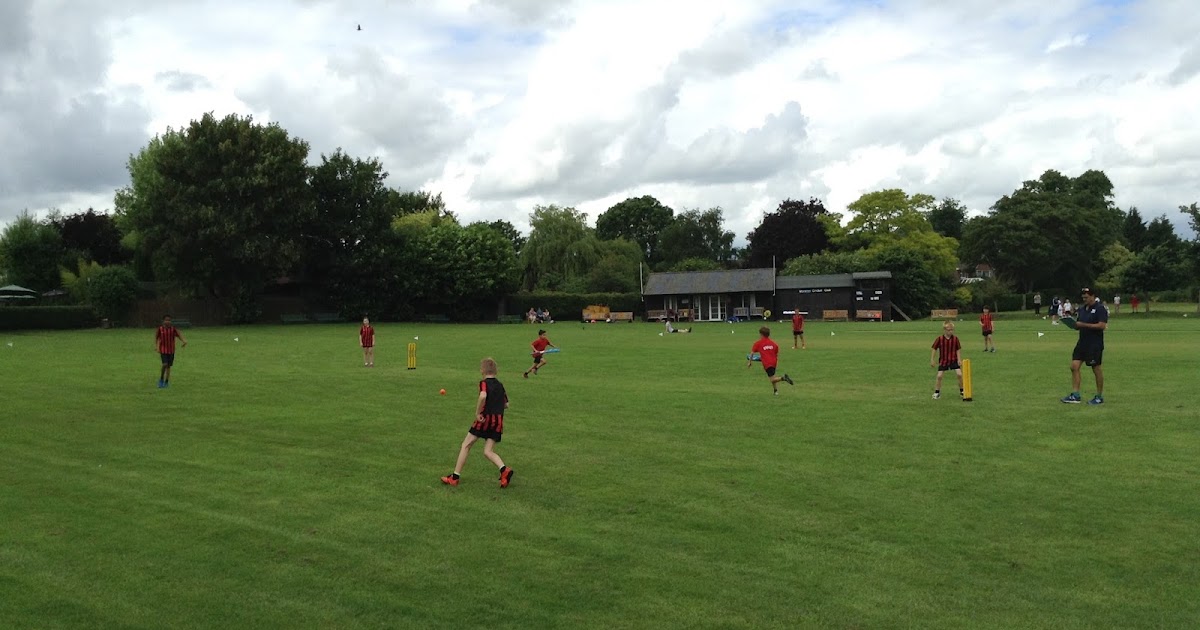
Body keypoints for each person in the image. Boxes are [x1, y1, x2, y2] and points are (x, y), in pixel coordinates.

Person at [441, 357, 514, 488]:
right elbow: (506, 404)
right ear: (496, 371)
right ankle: (504, 470)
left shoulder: (484, 383)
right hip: (497, 421)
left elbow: (483, 396)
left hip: (485, 420)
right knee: (488, 451)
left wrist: (478, 412)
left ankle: (455, 477)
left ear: (482, 370)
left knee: (466, 445)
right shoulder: (500, 385)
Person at [1062, 288, 1108, 405]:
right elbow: (1078, 324)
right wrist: (1072, 324)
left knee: (1096, 368)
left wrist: (1083, 325)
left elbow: (1102, 325)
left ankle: (1099, 396)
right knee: (1074, 366)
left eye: (1086, 297)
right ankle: (1076, 395)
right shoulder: (1082, 309)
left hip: (1094, 344)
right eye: (1083, 297)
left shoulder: (1100, 309)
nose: (1084, 299)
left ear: (1093, 296)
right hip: (1082, 342)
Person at [747, 326, 794, 395]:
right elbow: (775, 352)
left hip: (767, 363)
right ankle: (775, 391)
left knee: (772, 379)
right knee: (772, 376)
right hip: (774, 362)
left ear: (761, 335)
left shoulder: (758, 343)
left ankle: (783, 378)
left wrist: (749, 362)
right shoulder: (773, 343)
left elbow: (752, 353)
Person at [930, 321, 964, 400]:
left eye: (952, 330)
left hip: (953, 360)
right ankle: (937, 392)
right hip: (943, 360)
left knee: (959, 374)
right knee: (939, 376)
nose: (950, 331)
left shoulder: (955, 339)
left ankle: (962, 391)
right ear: (944, 330)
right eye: (949, 330)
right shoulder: (940, 339)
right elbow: (934, 349)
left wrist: (959, 359)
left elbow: (958, 349)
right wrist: (932, 359)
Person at [155, 315, 188, 388]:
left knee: (169, 366)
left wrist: (184, 341)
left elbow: (179, 335)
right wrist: (157, 347)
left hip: (171, 350)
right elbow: (157, 338)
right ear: (163, 321)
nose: (168, 321)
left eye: (169, 320)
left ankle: (166, 382)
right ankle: (161, 379)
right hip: (163, 350)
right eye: (166, 320)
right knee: (164, 364)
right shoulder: (160, 329)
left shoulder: (173, 329)